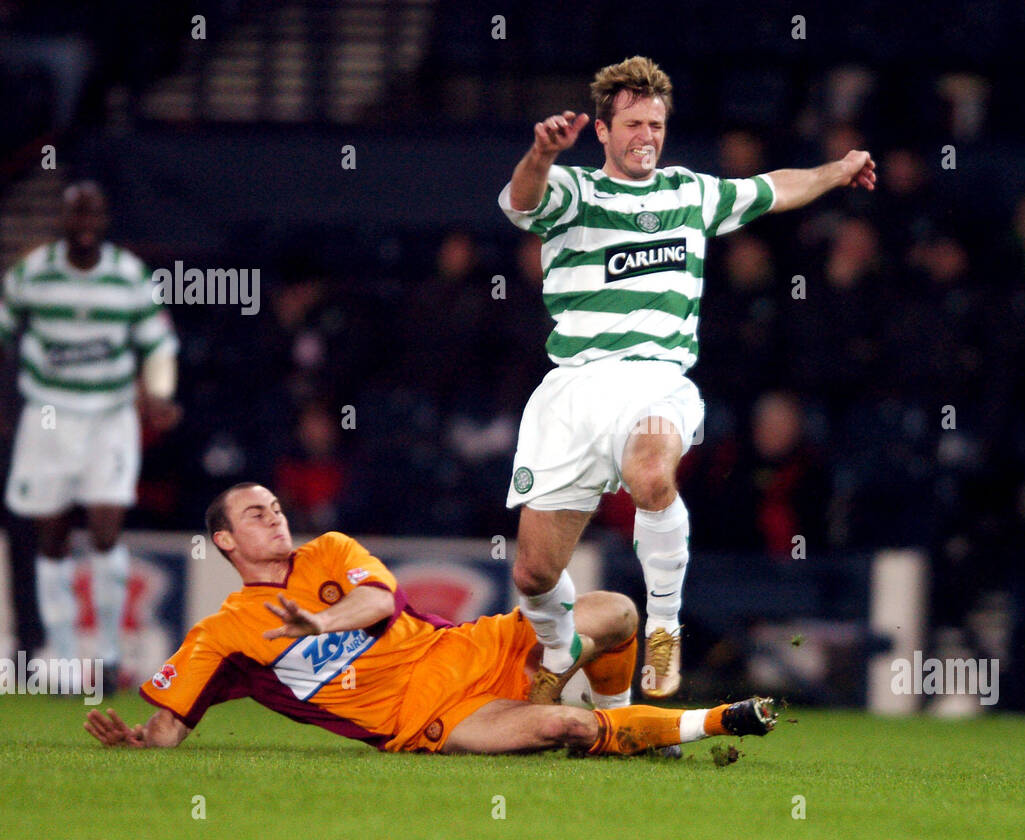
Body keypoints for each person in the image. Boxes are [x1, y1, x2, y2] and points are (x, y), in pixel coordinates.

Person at [499, 55, 876, 701]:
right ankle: (561, 655)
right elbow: (523, 200)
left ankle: (665, 627)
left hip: (655, 377)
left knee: (651, 475)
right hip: (573, 388)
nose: (646, 135)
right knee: (534, 571)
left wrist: (836, 171)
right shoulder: (574, 193)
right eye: (633, 124)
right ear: (603, 131)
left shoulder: (690, 192)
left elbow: (773, 188)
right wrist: (540, 154)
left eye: (656, 123)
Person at [83, 483, 777, 755]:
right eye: (255, 513)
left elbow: (382, 601)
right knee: (563, 724)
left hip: (481, 644)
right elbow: (170, 725)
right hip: (426, 715)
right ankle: (707, 721)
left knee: (619, 612)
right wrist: (140, 743)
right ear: (226, 543)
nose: (275, 516)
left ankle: (630, 726)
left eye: (276, 505)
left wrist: (319, 626)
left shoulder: (328, 550)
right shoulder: (221, 634)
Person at [1, 181, 180, 692]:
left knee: (105, 530)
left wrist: (160, 393)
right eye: (76, 212)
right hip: (50, 412)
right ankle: (58, 657)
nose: (84, 221)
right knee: (50, 536)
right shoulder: (32, 273)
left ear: (103, 219)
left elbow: (158, 344)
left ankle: (105, 655)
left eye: (93, 213)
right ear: (63, 217)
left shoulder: (127, 276)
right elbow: (4, 330)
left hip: (109, 415)